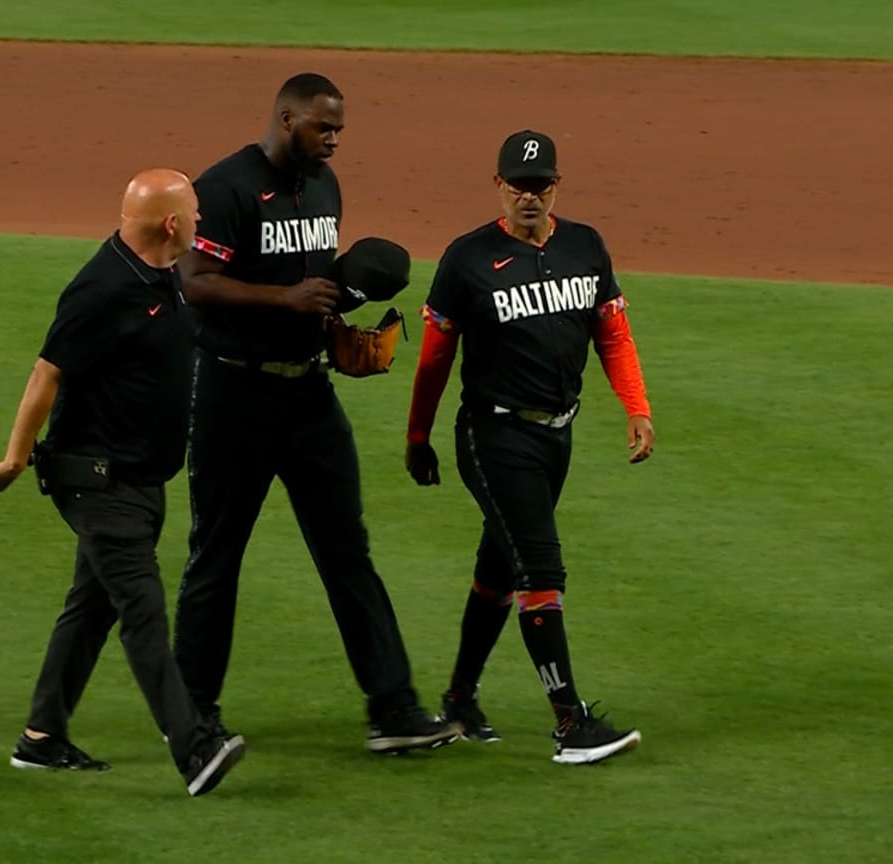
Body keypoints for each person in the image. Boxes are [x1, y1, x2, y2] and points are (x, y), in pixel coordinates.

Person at [172, 72, 459, 752]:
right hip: (232, 397)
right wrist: (286, 302)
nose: (332, 140)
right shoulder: (226, 188)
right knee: (216, 555)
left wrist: (339, 304)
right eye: (322, 127)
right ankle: (192, 719)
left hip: (308, 396)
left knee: (346, 551)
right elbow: (194, 284)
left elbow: (312, 280)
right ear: (285, 118)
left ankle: (392, 708)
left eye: (339, 130)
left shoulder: (324, 186)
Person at [0, 168, 245, 796]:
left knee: (90, 608)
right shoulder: (102, 288)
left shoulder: (160, 273)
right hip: (97, 482)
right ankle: (194, 748)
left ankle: (41, 737)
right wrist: (15, 459)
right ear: (172, 223)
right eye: (194, 212)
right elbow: (46, 374)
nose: (201, 221)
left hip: (137, 479)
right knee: (141, 611)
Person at [404, 130, 657, 765]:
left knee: (498, 566)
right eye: (518, 185)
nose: (529, 195)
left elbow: (612, 333)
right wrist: (418, 434)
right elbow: (435, 359)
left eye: (540, 184)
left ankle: (460, 700)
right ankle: (570, 724)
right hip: (493, 435)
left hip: (557, 435)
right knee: (540, 570)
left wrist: (637, 407)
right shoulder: (467, 259)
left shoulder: (584, 246)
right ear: (498, 186)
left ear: (556, 187)